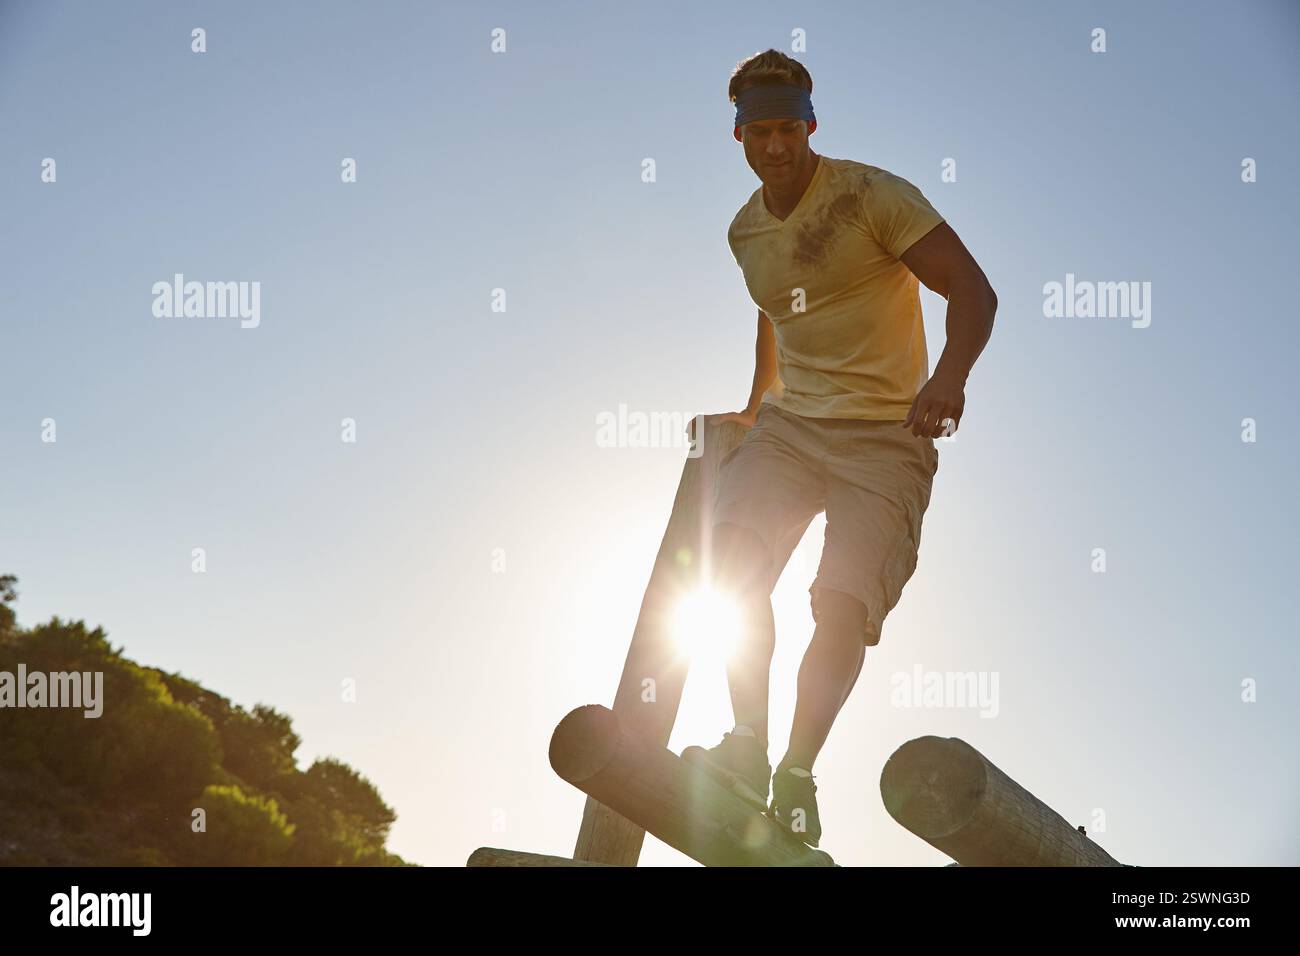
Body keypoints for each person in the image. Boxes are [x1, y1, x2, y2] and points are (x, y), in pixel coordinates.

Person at [681, 49, 997, 847]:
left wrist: (950, 376)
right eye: (759, 131)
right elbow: (776, 312)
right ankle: (746, 748)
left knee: (841, 602)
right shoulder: (744, 231)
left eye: (789, 127)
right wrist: (756, 407)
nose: (776, 145)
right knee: (733, 563)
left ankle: (795, 772)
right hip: (794, 428)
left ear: (811, 125)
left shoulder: (869, 195)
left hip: (889, 435)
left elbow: (972, 287)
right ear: (739, 136)